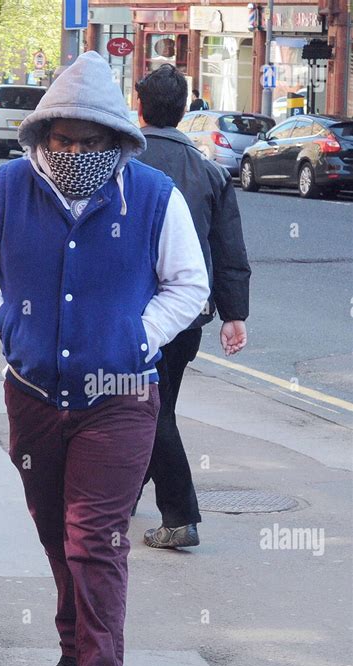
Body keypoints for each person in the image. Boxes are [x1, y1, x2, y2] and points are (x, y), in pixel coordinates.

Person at [0, 51, 210, 666]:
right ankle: (74, 644)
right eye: (63, 139)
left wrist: (136, 337)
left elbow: (190, 285)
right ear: (43, 137)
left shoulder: (152, 195)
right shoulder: (6, 187)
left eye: (91, 142)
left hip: (120, 397)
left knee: (97, 537)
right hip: (32, 394)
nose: (75, 153)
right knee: (54, 530)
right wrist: (4, 318)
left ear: (116, 139)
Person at [134, 64, 251, 549]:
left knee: (147, 410)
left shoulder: (119, 161)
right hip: (186, 316)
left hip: (130, 313)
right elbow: (228, 249)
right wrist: (233, 314)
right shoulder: (209, 171)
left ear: (139, 106)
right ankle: (126, 491)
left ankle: (180, 516)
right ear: (184, 112)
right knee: (153, 406)